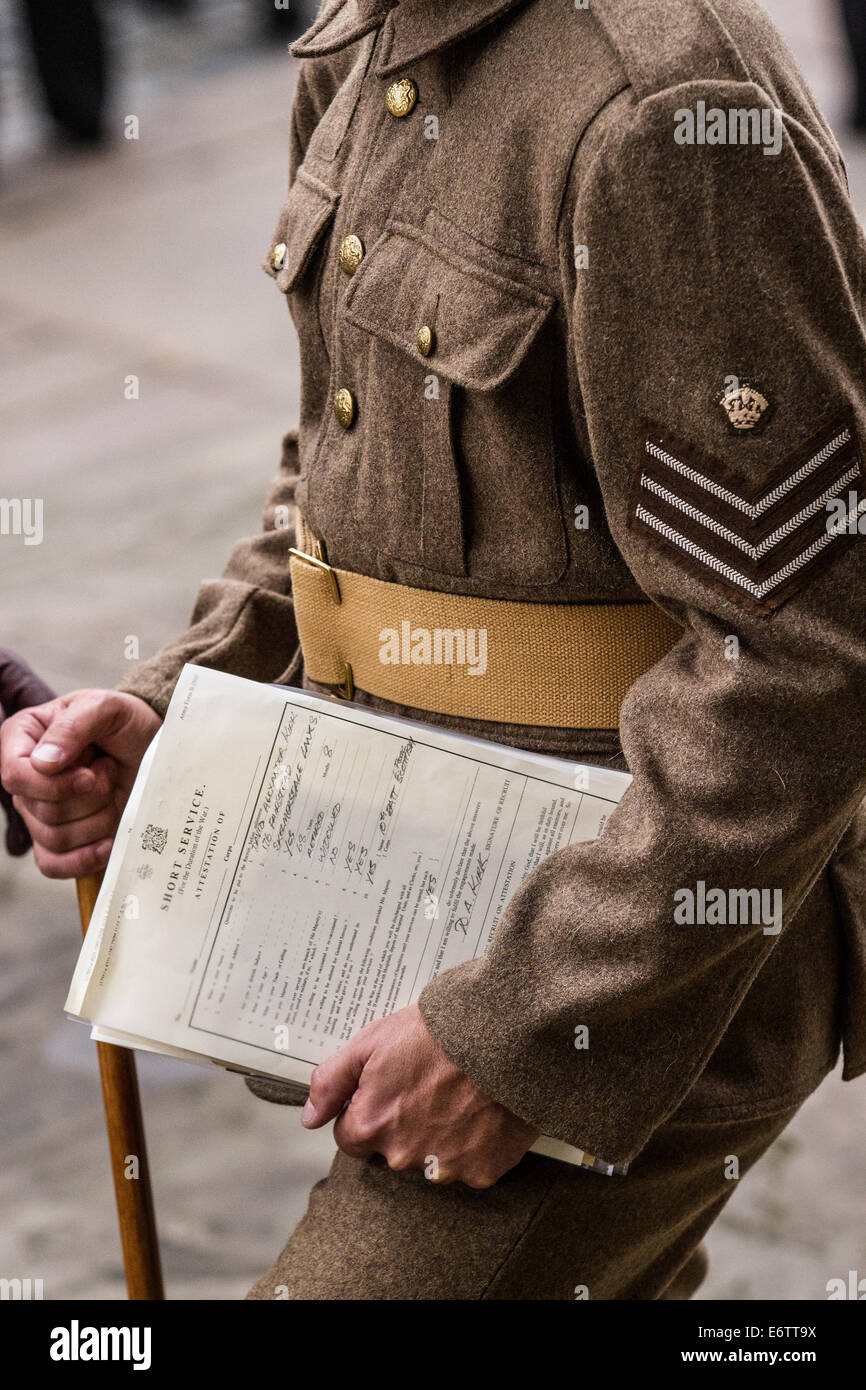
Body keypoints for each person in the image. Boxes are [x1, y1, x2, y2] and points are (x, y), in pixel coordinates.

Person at [3, 0, 866, 1300]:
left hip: (651, 931)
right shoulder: (361, 40)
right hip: (423, 877)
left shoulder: (659, 98)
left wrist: (517, 1030)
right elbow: (333, 495)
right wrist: (173, 706)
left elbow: (802, 648)